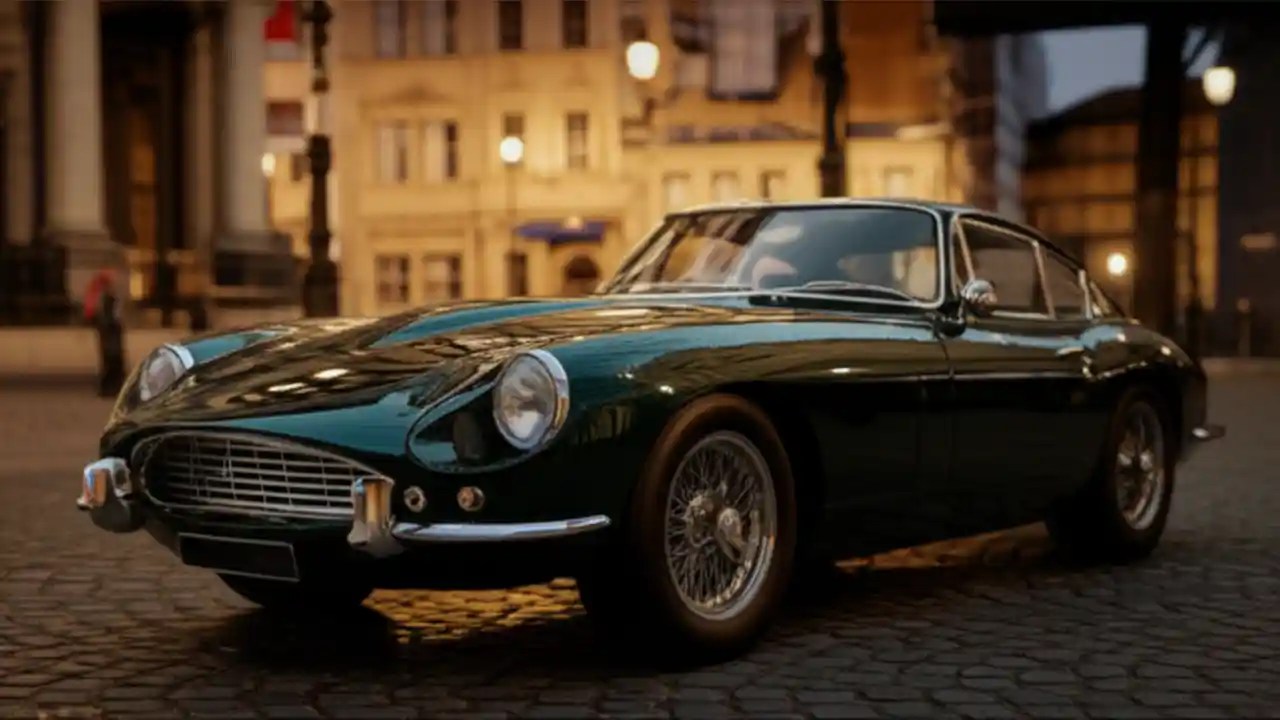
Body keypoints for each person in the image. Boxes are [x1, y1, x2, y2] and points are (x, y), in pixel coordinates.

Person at [85, 269, 125, 397]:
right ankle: (111, 387)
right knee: (112, 360)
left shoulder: (103, 296)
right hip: (110, 331)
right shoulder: (106, 297)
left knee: (111, 360)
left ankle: (110, 386)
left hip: (109, 331)